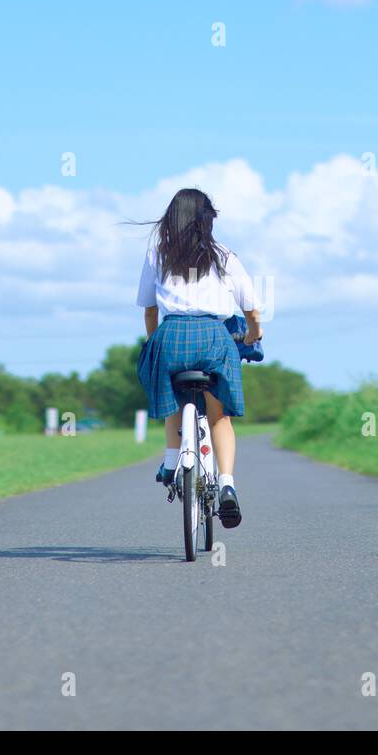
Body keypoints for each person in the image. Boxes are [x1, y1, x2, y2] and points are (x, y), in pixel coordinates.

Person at [135, 188, 261, 529]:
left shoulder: (158, 255)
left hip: (171, 334)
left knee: (172, 394)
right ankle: (227, 484)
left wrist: (155, 344)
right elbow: (251, 307)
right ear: (206, 221)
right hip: (213, 338)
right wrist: (254, 333)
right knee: (219, 417)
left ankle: (171, 459)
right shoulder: (224, 256)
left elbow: (149, 311)